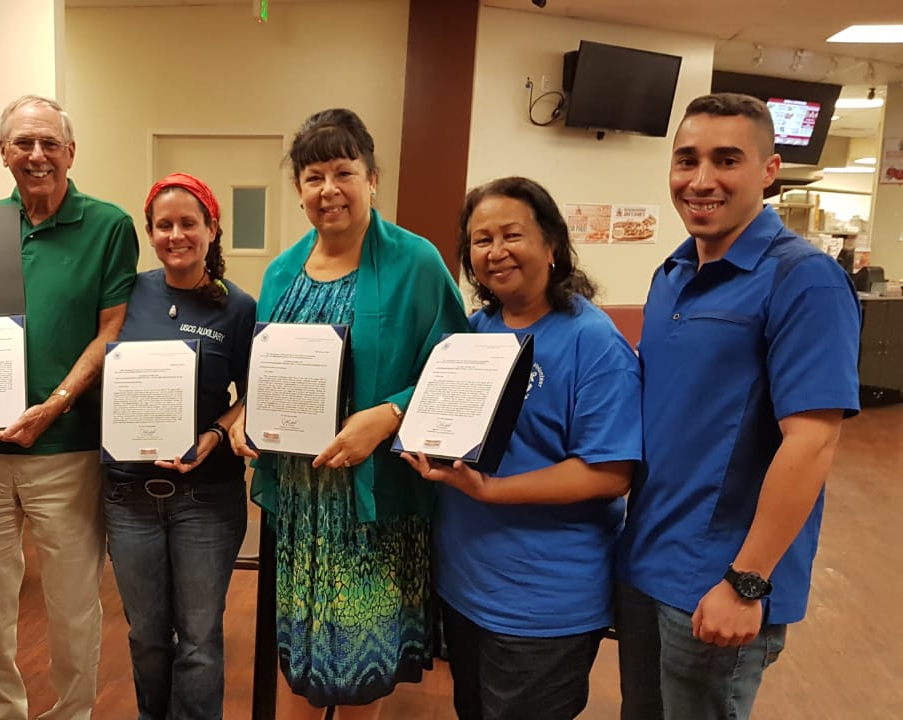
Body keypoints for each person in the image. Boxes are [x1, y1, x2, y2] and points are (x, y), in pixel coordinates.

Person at [615, 92, 861, 720]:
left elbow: (812, 442)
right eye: (686, 160)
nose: (701, 180)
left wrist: (746, 582)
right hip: (644, 561)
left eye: (727, 160)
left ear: (769, 171)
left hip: (717, 580)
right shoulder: (670, 273)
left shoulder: (802, 279)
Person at [228, 108, 468, 719]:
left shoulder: (416, 262)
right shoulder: (282, 272)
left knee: (363, 662)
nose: (328, 189)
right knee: (304, 654)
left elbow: (457, 370)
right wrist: (247, 417)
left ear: (372, 179)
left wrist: (390, 414)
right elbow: (272, 370)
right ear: (300, 190)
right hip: (304, 501)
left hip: (373, 502)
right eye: (313, 177)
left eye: (343, 172)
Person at [0, 94, 138, 720]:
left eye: (48, 143)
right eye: (22, 144)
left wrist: (54, 405)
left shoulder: (109, 225)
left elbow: (111, 330)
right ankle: (0, 714)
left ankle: (73, 713)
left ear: (71, 151)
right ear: (3, 153)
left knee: (72, 601)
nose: (36, 156)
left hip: (64, 449)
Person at [401, 176, 641, 720]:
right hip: (466, 587)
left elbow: (610, 474)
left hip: (543, 603)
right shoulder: (472, 333)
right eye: (481, 241)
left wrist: (494, 490)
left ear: (552, 245)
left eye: (513, 235)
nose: (496, 252)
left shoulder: (593, 342)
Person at [103, 173, 255, 720]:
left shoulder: (238, 308)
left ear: (212, 230)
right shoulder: (126, 293)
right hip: (128, 497)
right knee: (146, 636)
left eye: (189, 223)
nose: (176, 235)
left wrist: (216, 432)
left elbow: (253, 394)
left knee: (198, 639)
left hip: (205, 500)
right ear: (149, 233)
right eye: (163, 225)